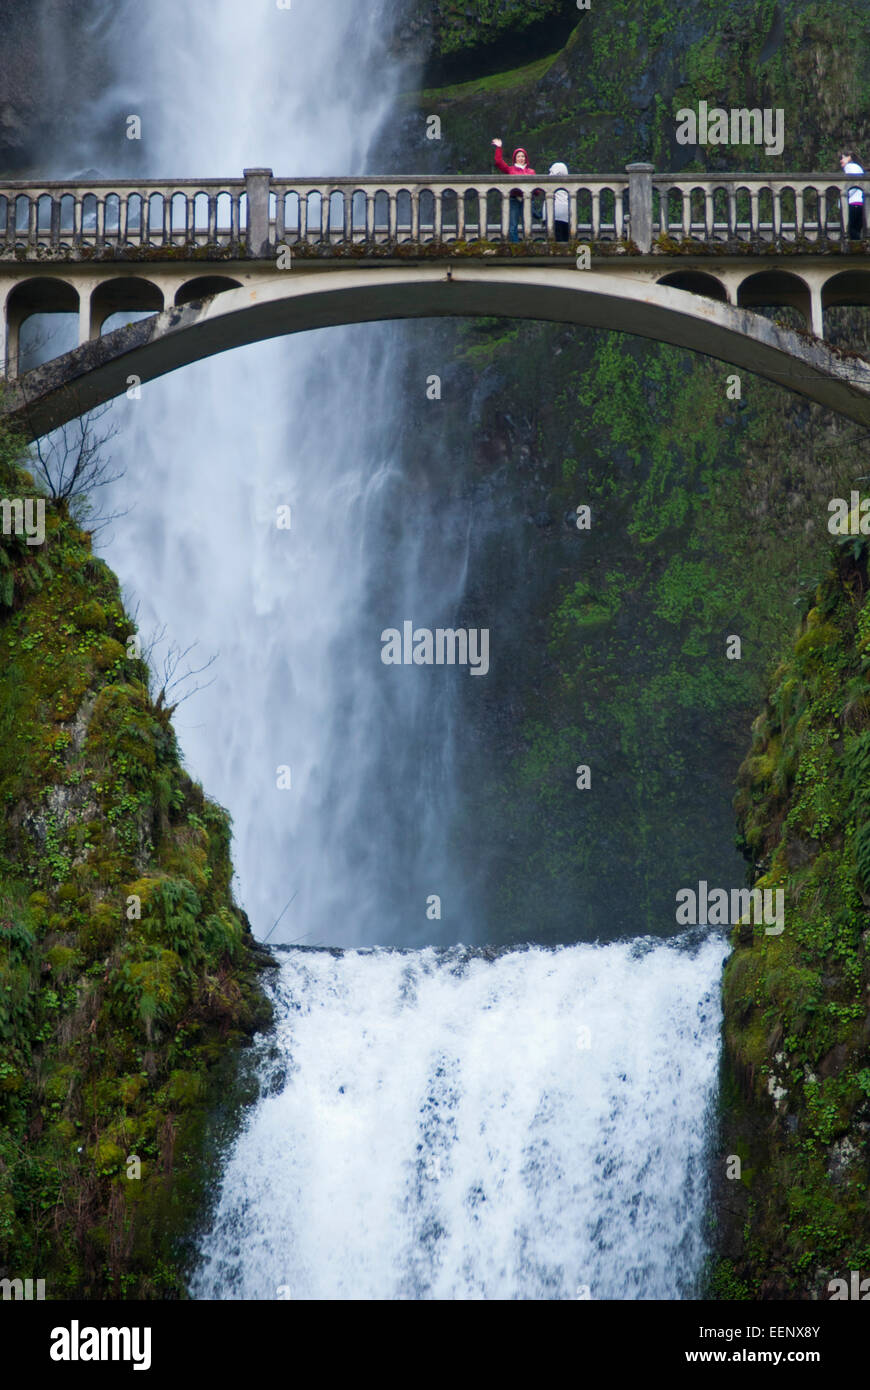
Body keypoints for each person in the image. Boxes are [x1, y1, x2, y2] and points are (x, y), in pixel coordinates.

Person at [492, 138, 537, 242]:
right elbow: (498, 162)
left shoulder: (531, 171)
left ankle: (528, 245)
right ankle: (515, 246)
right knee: (513, 225)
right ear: (515, 158)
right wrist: (499, 147)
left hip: (526, 200)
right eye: (518, 156)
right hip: (514, 200)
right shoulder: (511, 169)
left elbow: (536, 189)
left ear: (526, 158)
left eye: (523, 156)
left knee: (527, 224)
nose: (521, 158)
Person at [840, 150, 865, 240]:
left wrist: (843, 197)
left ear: (849, 157)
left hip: (853, 203)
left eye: (843, 158)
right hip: (861, 203)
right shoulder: (858, 167)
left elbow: (853, 185)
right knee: (856, 229)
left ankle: (858, 248)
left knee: (849, 229)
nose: (841, 160)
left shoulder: (850, 166)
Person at [549, 161, 570, 241]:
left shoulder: (549, 183)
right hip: (566, 214)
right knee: (564, 237)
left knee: (557, 236)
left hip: (556, 214)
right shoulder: (569, 184)